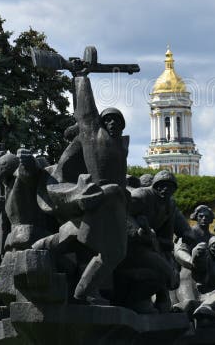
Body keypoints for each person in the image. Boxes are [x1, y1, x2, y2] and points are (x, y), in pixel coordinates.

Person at [32, 69, 129, 305]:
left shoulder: (118, 146)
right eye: (108, 119)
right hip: (103, 198)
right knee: (110, 252)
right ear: (101, 124)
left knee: (85, 236)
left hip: (115, 203)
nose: (113, 123)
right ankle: (84, 292)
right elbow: (86, 114)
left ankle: (40, 248)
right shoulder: (96, 138)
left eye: (118, 120)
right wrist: (81, 78)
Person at [117, 170, 185, 313]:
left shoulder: (170, 205)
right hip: (129, 245)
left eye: (170, 187)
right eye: (161, 185)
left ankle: (154, 302)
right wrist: (136, 231)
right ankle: (134, 301)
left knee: (170, 275)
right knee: (164, 273)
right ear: (155, 185)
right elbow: (122, 211)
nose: (165, 189)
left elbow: (166, 238)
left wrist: (166, 251)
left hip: (149, 245)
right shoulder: (142, 195)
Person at [174, 205, 215, 310]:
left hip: (209, 272)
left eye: (207, 216)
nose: (204, 218)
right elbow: (180, 251)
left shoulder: (212, 238)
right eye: (201, 216)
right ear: (196, 217)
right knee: (191, 302)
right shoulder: (189, 233)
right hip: (189, 271)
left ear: (211, 219)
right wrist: (192, 262)